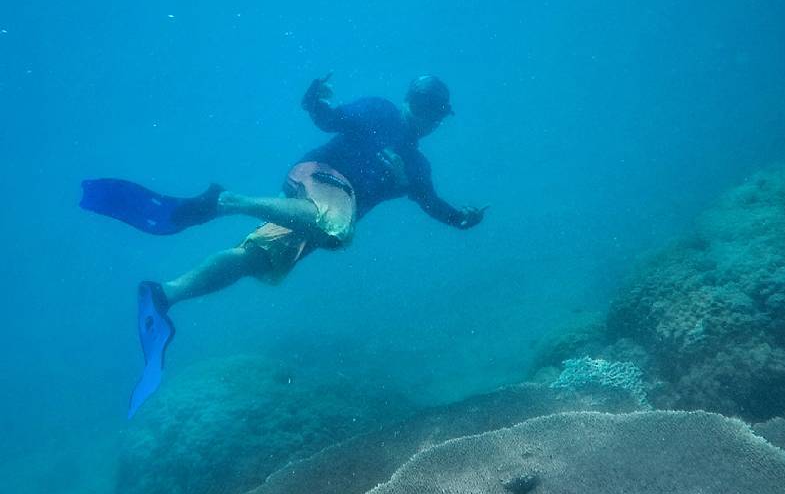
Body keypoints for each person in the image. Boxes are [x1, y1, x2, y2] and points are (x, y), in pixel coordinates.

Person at [80, 74, 486, 416]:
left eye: (430, 112)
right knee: (337, 229)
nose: (427, 118)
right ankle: (227, 201)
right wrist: (315, 103)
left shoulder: (415, 166)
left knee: (255, 258)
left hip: (312, 211)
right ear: (425, 108)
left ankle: (165, 294)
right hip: (317, 178)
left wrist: (462, 218)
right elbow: (335, 118)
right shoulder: (382, 112)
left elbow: (434, 205)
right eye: (426, 109)